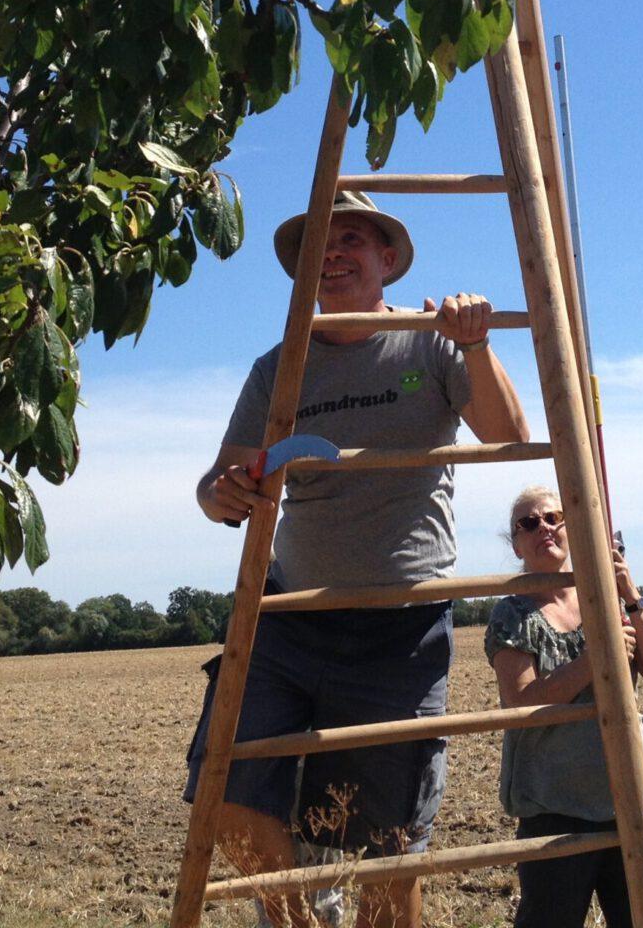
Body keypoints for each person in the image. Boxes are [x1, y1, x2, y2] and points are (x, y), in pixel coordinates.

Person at [186, 189, 531, 928]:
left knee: (387, 841)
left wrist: (475, 342)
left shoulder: (429, 344)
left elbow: (508, 434)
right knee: (227, 791)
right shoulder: (279, 368)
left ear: (387, 262)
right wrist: (223, 494)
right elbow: (219, 487)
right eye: (321, 245)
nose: (335, 254)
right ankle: (298, 923)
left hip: (397, 631)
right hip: (286, 617)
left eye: (352, 240)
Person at [484, 485, 643, 928]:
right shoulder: (512, 615)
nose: (544, 528)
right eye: (529, 523)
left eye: (554, 518)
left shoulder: (607, 597)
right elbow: (521, 701)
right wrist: (595, 660)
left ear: (574, 529)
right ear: (515, 544)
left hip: (632, 795)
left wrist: (631, 597)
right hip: (555, 807)